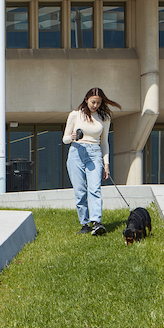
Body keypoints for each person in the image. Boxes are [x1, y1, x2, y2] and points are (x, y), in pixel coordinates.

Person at [63, 86, 122, 236]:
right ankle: (85, 224)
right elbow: (64, 139)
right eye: (93, 102)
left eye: (98, 103)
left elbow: (104, 143)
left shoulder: (104, 118)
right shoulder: (75, 115)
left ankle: (97, 222)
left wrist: (106, 164)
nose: (95, 105)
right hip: (76, 151)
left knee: (95, 188)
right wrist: (73, 137)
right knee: (80, 191)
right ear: (86, 100)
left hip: (95, 153)